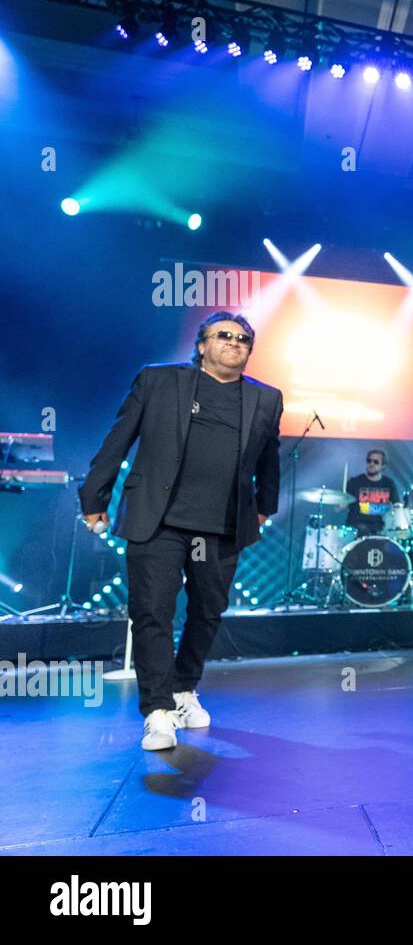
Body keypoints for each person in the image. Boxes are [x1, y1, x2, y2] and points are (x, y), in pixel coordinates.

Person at [80, 312, 283, 750]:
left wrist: (266, 505)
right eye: (224, 335)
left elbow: (270, 458)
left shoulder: (266, 399)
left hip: (222, 526)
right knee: (152, 611)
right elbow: (118, 440)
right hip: (160, 520)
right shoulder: (158, 382)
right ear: (202, 345)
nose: (235, 343)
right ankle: (157, 711)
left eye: (243, 338)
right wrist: (93, 496)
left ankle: (183, 689)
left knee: (207, 610)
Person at [345, 449, 400, 536]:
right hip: (357, 528)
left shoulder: (389, 483)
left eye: (376, 462)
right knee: (362, 529)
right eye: (369, 461)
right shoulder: (355, 482)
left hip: (381, 528)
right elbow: (345, 502)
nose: (371, 464)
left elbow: (396, 506)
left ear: (383, 466)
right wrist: (342, 504)